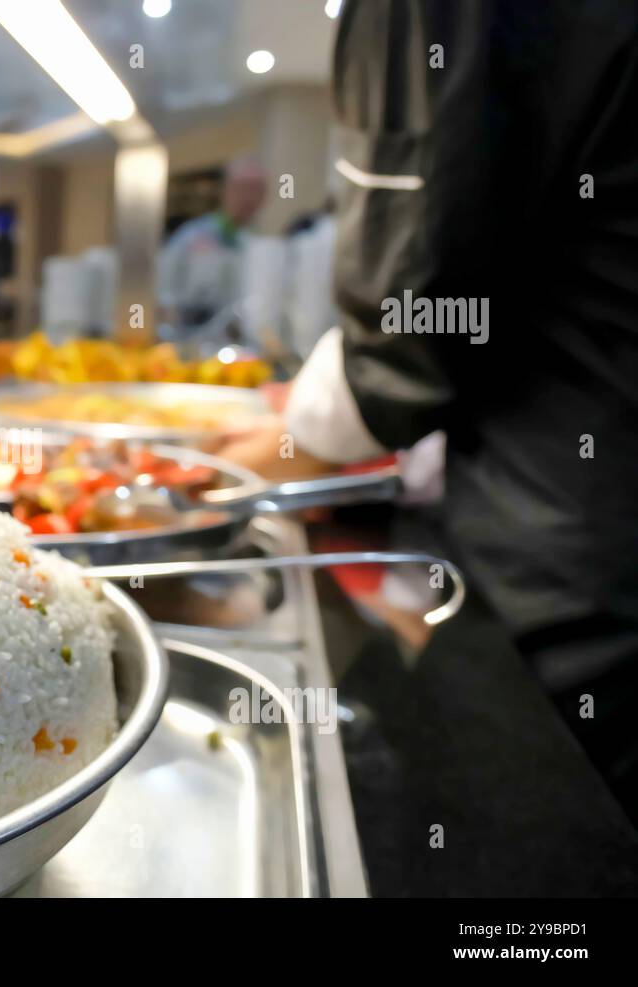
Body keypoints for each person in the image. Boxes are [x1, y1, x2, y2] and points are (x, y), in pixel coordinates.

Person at [217, 0, 638, 820]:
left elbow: (411, 318)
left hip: (572, 568)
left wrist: (214, 477)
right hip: (584, 519)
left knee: (538, 860)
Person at [157, 156, 267, 340]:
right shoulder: (190, 237)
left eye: (256, 190)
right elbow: (162, 294)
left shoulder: (256, 248)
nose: (249, 197)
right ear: (224, 190)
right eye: (243, 188)